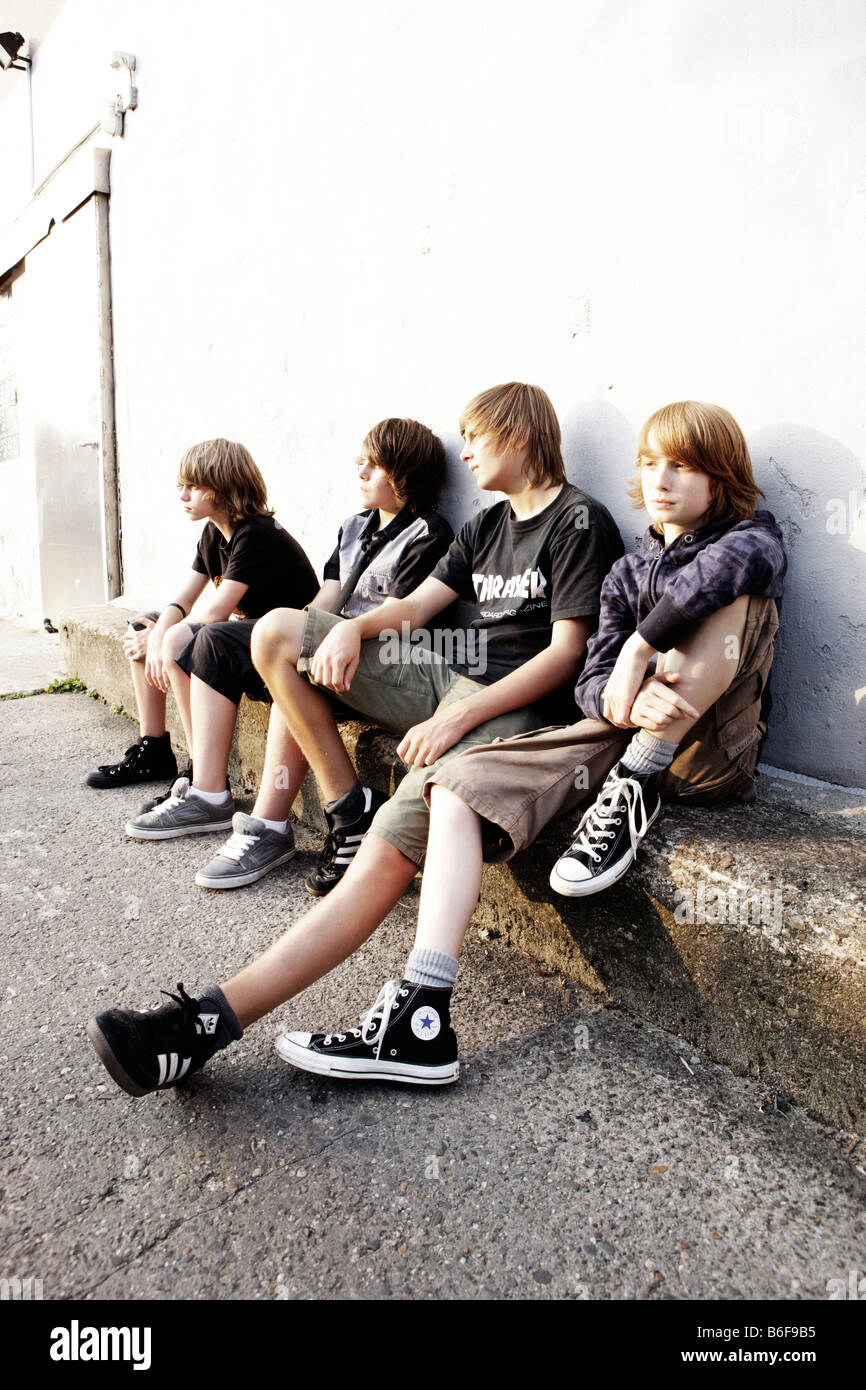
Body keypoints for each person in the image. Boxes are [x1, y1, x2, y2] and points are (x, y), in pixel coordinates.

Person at [86, 381, 624, 1096]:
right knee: (280, 631)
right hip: (447, 678)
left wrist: (457, 719)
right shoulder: (486, 525)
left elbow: (563, 656)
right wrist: (349, 628)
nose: (464, 451)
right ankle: (348, 806)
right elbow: (417, 605)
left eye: (477, 436)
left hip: (512, 710)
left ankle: (210, 1025)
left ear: (520, 436)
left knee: (396, 840)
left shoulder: (579, 522)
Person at [269, 399, 787, 1087]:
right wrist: (624, 678)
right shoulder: (627, 570)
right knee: (457, 789)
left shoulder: (746, 538)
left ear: (723, 476)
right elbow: (589, 679)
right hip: (621, 727)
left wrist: (642, 645)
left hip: (703, 753)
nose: (662, 478)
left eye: (685, 465)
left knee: (726, 599)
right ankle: (422, 1012)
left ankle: (637, 781)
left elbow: (732, 569)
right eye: (650, 463)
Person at [125, 418, 453, 891]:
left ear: (403, 475)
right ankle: (207, 791)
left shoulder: (428, 533)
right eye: (359, 463)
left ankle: (269, 825)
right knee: (214, 641)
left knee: (283, 664)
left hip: (374, 656)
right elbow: (325, 600)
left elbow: (402, 615)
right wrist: (289, 632)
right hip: (329, 642)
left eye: (373, 466)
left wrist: (303, 639)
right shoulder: (353, 526)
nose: (360, 473)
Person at [85, 439, 317, 805]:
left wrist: (165, 639)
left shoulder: (256, 534)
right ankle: (155, 748)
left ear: (223, 487)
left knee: (178, 641)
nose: (183, 495)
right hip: (240, 643)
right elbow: (185, 600)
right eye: (182, 486)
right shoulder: (213, 533)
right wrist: (157, 631)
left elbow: (215, 613)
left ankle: (202, 771)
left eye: (193, 486)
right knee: (145, 626)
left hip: (279, 654)